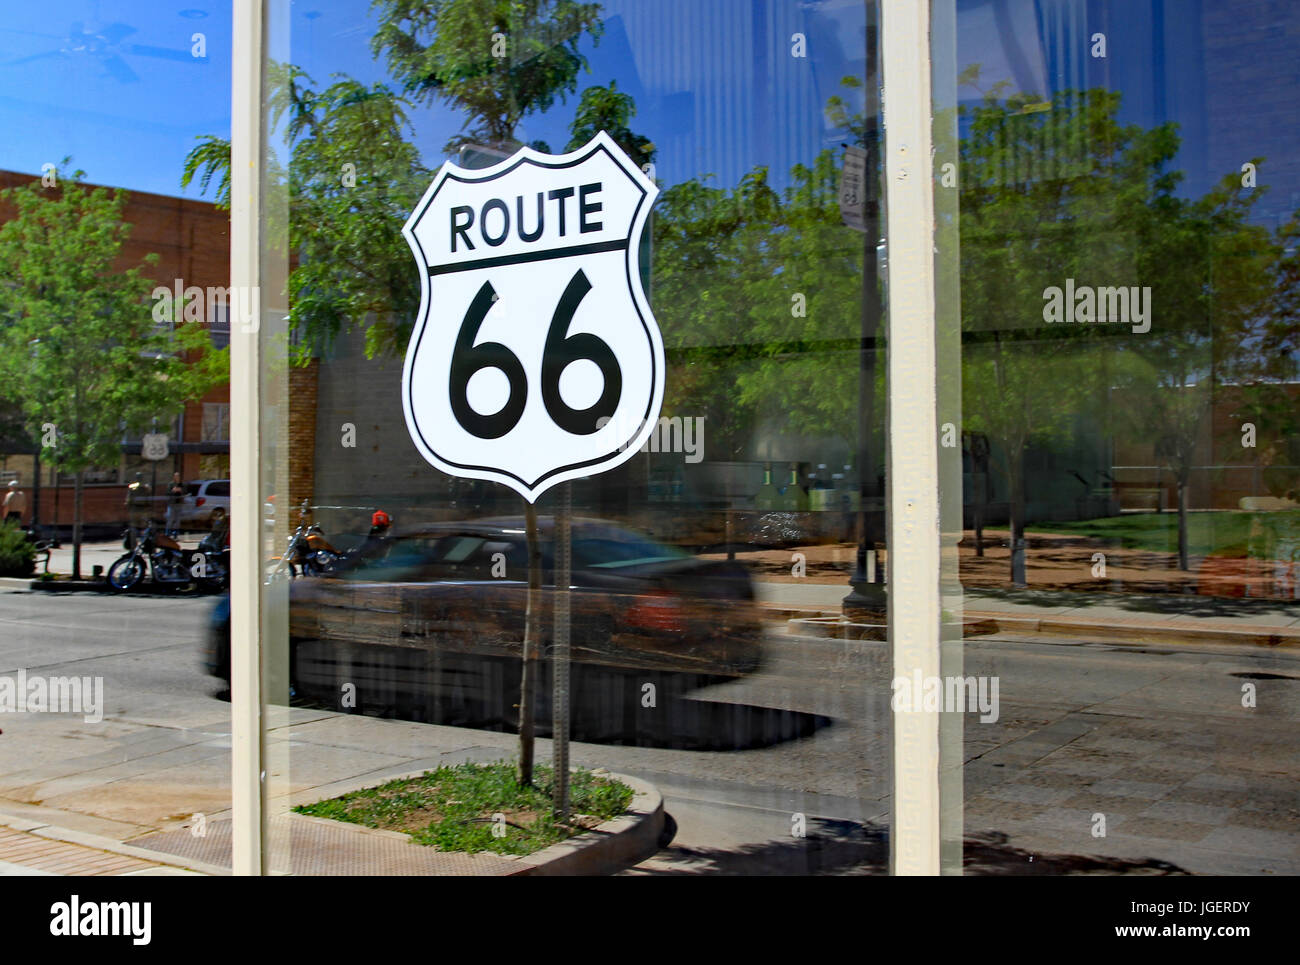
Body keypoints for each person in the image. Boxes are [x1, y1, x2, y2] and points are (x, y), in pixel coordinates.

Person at [165, 472, 186, 538]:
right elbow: (167, 493)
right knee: (170, 519)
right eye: (176, 476)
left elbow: (185, 492)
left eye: (178, 476)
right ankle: (167, 533)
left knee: (177, 520)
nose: (177, 478)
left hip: (179, 504)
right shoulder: (171, 484)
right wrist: (173, 491)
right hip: (171, 504)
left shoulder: (182, 484)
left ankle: (175, 534)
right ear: (174, 477)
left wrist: (181, 491)